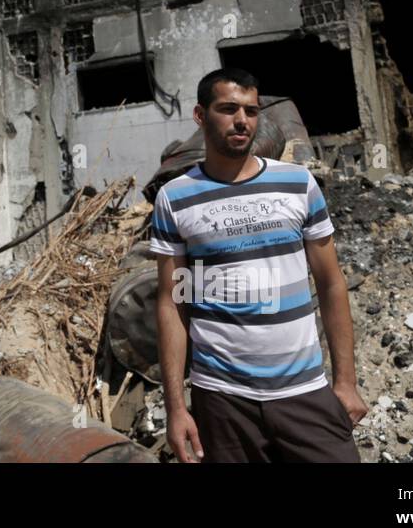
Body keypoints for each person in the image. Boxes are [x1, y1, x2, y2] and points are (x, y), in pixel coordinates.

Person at [151, 67, 366, 462]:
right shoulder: (175, 198)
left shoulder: (298, 185)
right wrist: (177, 407)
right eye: (228, 109)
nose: (241, 121)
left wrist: (346, 381)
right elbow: (172, 301)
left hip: (303, 390)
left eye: (251, 111)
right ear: (200, 116)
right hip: (223, 399)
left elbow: (332, 284)